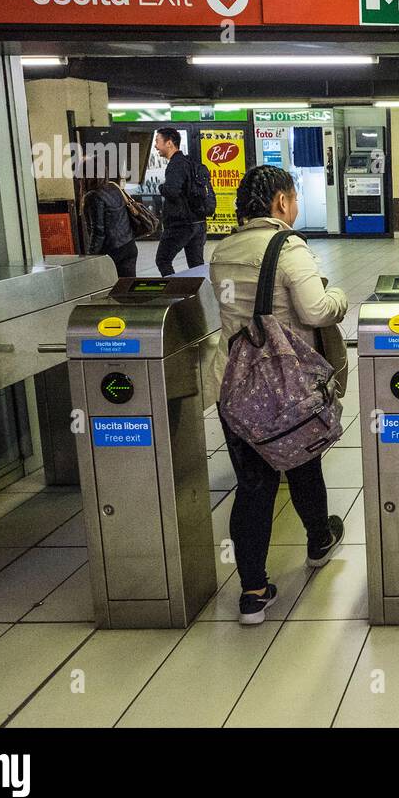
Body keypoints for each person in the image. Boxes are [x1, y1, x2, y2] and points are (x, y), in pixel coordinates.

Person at [208, 165, 350, 625]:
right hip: (286, 388)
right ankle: (318, 541)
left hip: (236, 385)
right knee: (304, 461)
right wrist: (341, 296)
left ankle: (252, 591)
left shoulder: (223, 250)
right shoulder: (288, 246)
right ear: (280, 203)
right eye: (291, 197)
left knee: (253, 483)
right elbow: (316, 309)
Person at [154, 127, 207, 275]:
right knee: (196, 265)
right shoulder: (189, 162)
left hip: (181, 224)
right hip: (198, 222)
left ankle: (174, 292)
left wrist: (161, 187)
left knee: (163, 260)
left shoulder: (175, 164)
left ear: (169, 143)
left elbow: (172, 191)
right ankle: (201, 294)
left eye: (157, 141)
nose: (155, 146)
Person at [80, 168, 139, 278]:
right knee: (128, 288)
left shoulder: (93, 196)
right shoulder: (114, 187)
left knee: (110, 289)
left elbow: (98, 231)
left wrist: (91, 256)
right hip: (129, 245)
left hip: (112, 252)